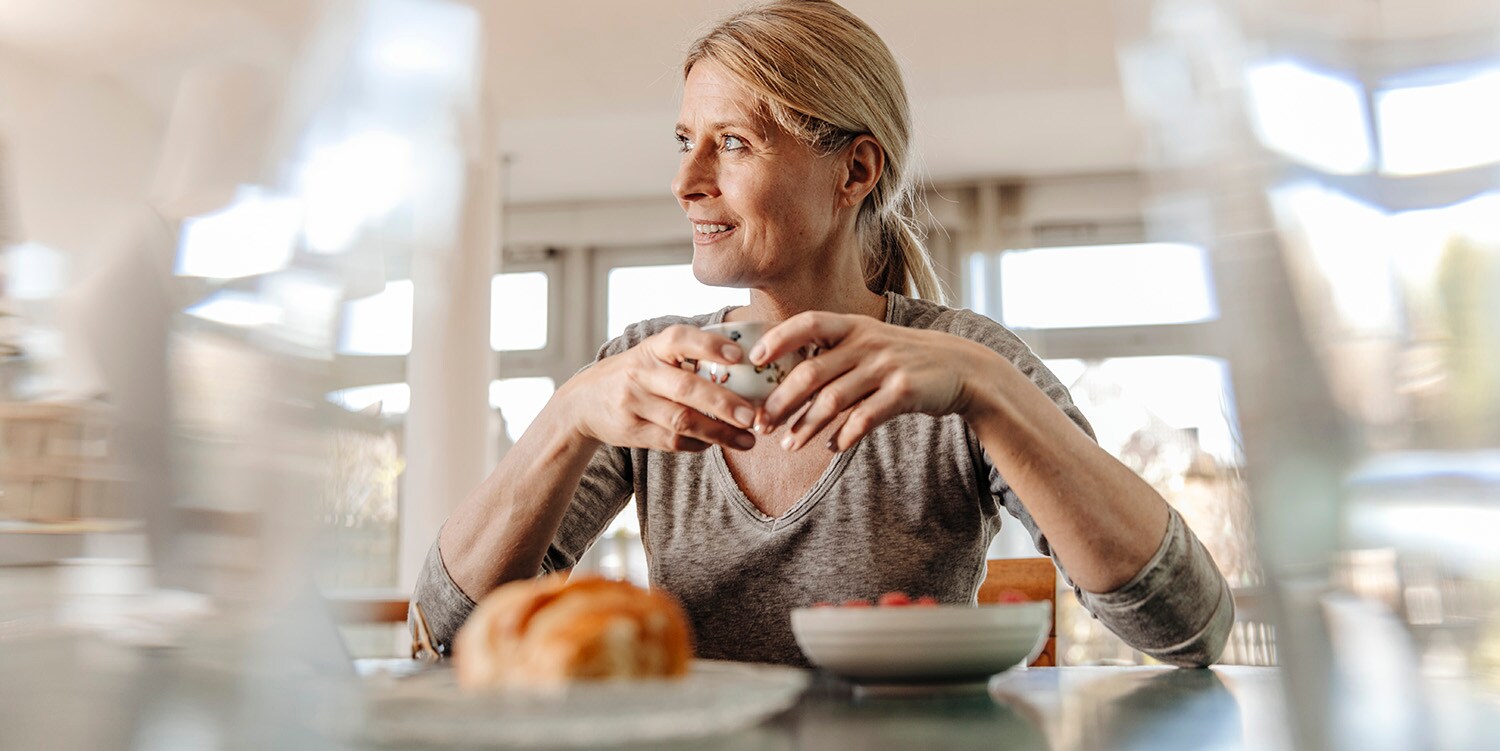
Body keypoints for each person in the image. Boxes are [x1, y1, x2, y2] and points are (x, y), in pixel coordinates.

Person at [413, 0, 1233, 667]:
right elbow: (444, 631)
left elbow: (1190, 626)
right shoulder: (645, 370)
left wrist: (990, 392)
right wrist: (567, 415)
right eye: (684, 142)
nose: (685, 181)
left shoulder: (967, 363)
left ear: (855, 171)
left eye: (732, 143)